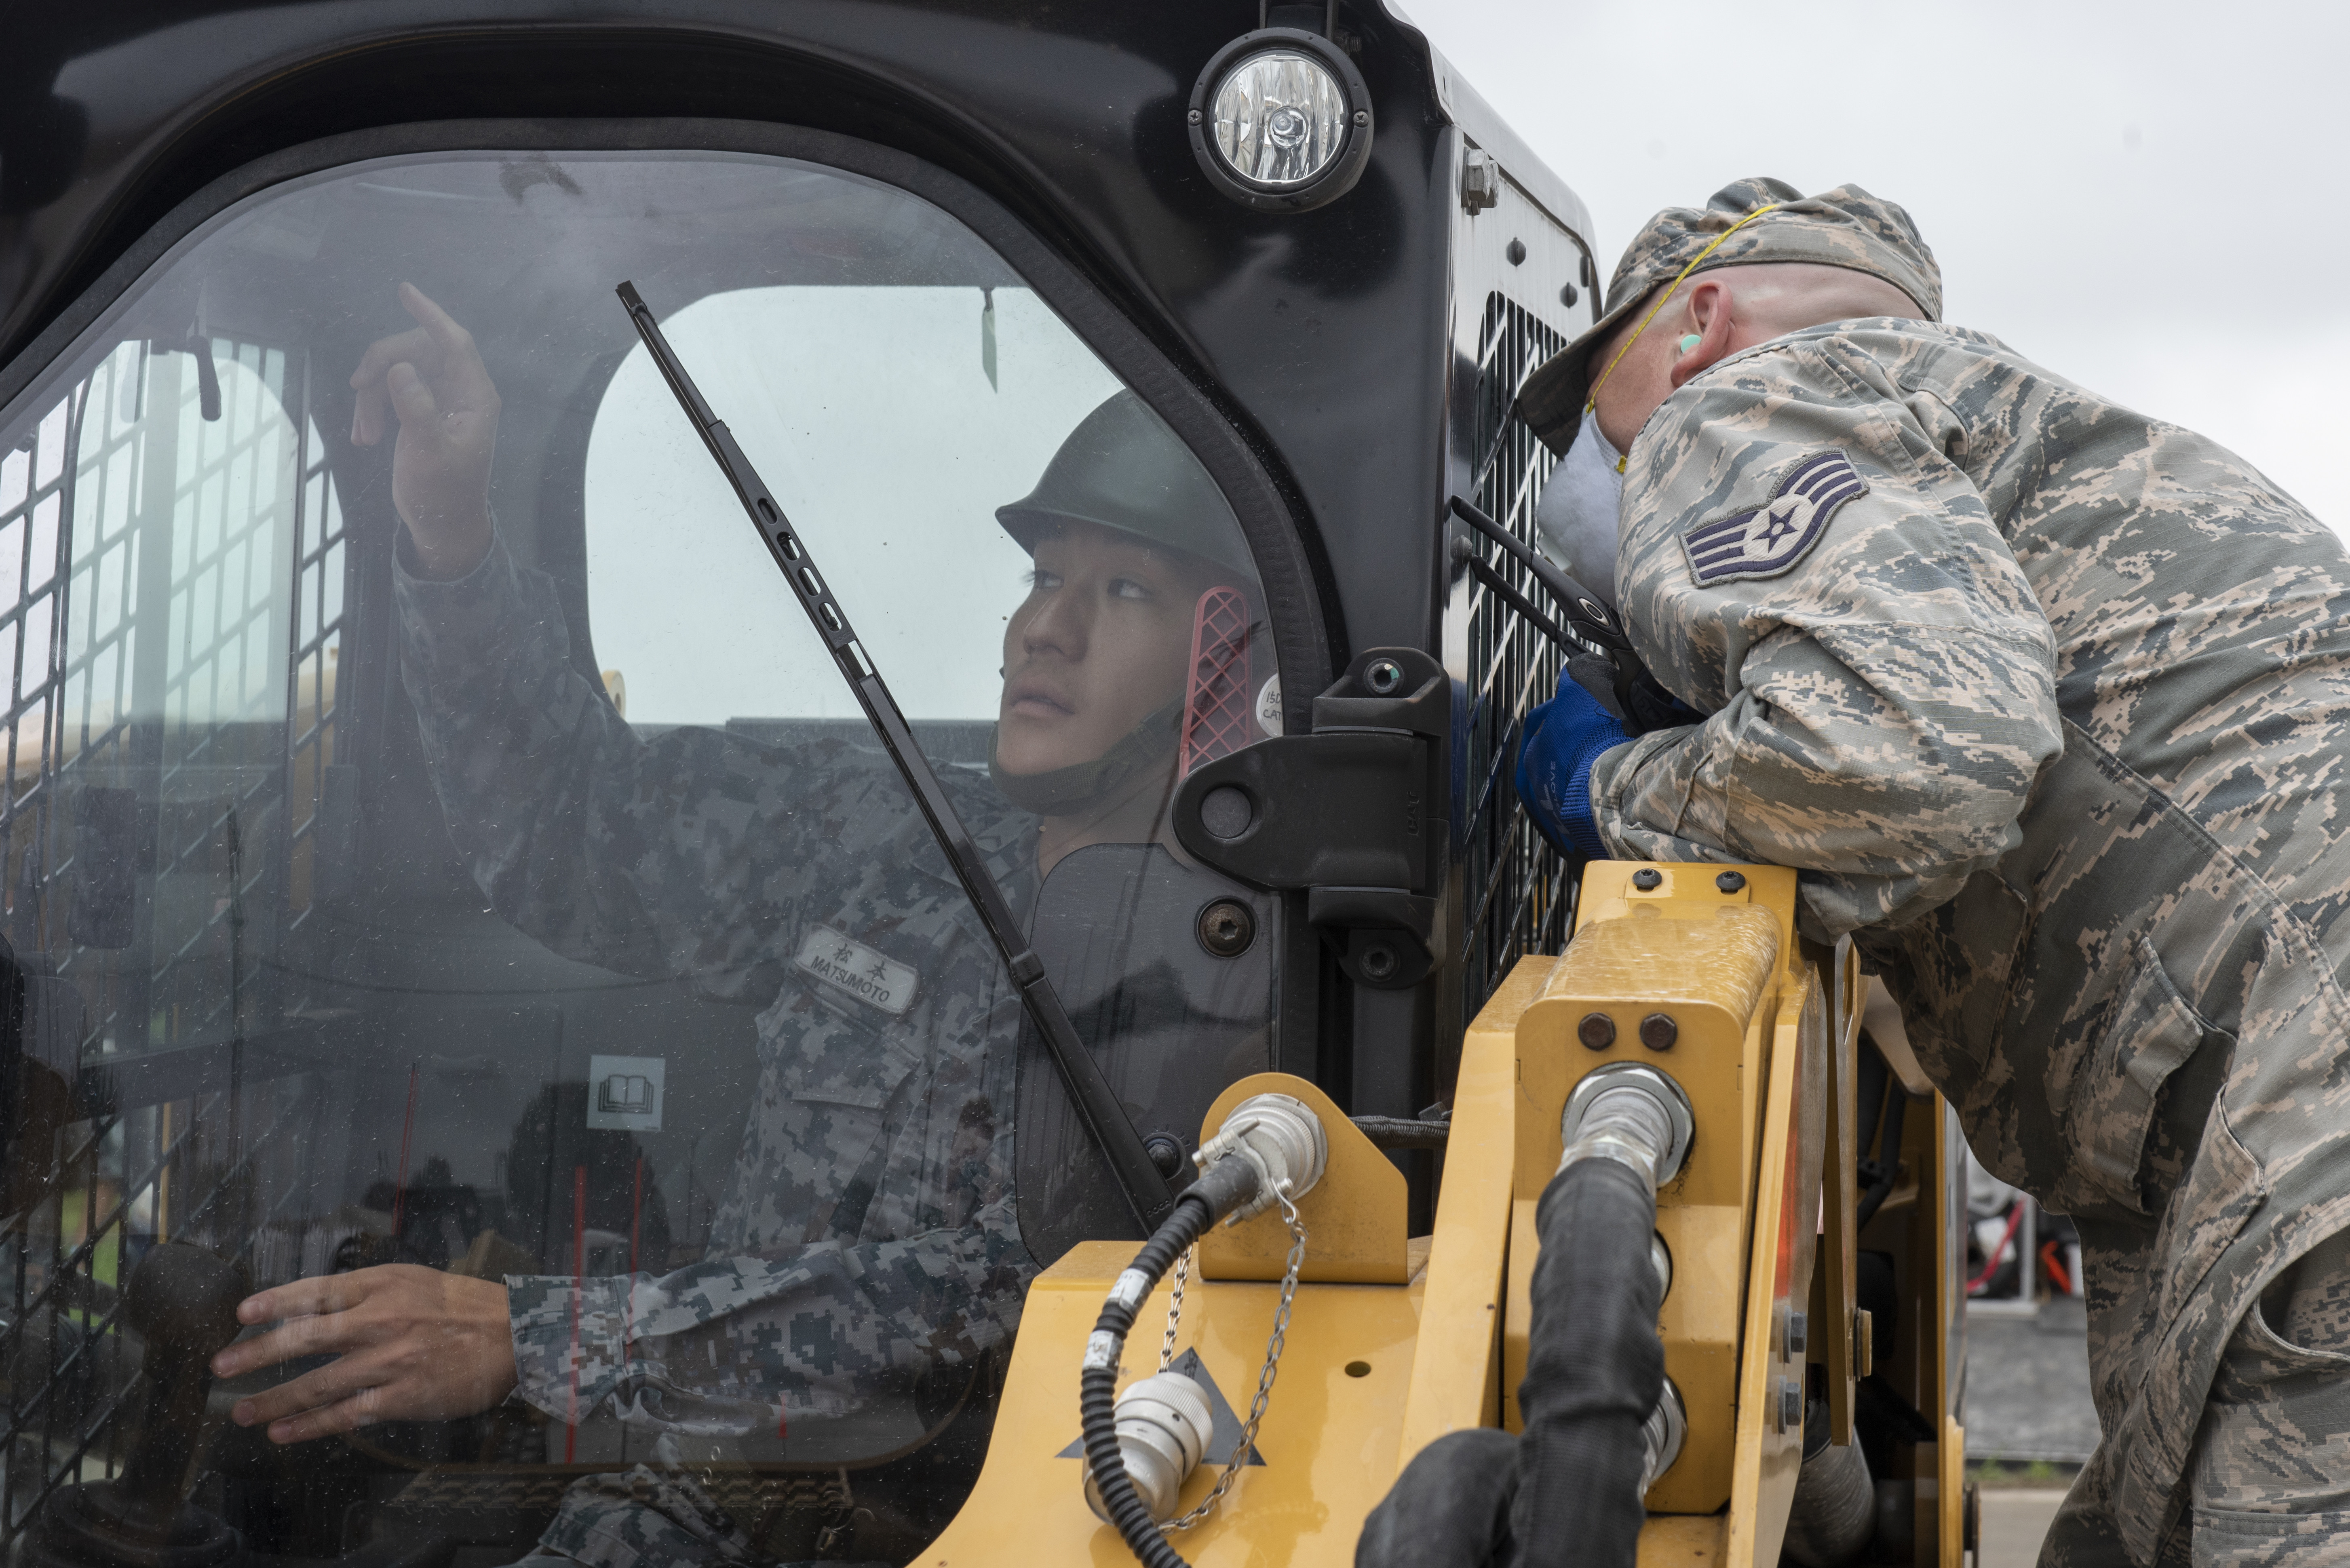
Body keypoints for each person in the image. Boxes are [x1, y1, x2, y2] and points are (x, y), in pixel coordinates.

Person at [204, 285, 1265, 1565]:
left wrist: (529, 1338)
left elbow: (1011, 1294)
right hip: (711, 1501)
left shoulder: (1242, 959)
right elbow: (567, 825)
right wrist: (448, 526)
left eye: (1128, 592)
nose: (1046, 626)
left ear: (1228, 652)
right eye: (1043, 577)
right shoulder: (879, 837)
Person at [1510, 178, 2350, 1567]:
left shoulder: (1749, 404)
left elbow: (1919, 752)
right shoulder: (2003, 444)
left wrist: (1607, 791)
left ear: (1697, 321)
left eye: (1596, 406)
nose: (1597, 466)